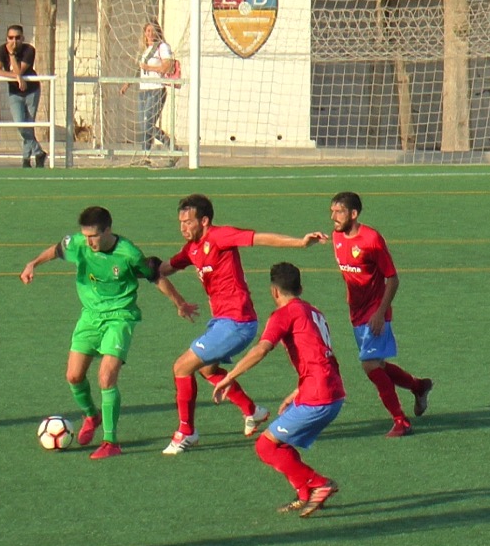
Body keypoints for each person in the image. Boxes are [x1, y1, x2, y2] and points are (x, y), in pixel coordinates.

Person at [152, 193, 326, 455]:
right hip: (221, 323)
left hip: (237, 322)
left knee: (181, 367)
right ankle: (252, 411)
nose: (183, 227)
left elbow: (260, 238)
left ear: (205, 220)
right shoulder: (192, 249)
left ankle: (186, 432)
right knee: (207, 370)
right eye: (180, 222)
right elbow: (165, 268)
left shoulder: (220, 236)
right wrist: (140, 267)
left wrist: (300, 243)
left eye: (188, 222)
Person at [19, 205, 191, 458]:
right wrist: (33, 263)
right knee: (74, 376)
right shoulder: (77, 243)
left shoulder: (128, 253)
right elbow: (57, 250)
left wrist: (180, 303)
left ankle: (111, 442)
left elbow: (156, 277)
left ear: (108, 230)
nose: (88, 242)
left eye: (93, 237)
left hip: (120, 318)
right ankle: (91, 415)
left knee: (106, 377)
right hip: (89, 316)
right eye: (85, 236)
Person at [210, 263, 345, 517]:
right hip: (330, 390)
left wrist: (230, 376)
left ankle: (319, 483)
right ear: (300, 288)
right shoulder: (314, 311)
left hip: (319, 395)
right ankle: (305, 495)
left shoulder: (284, 314)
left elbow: (261, 349)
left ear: (274, 291)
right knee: (281, 441)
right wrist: (297, 392)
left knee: (265, 446)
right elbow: (321, 355)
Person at [326, 192, 433, 436]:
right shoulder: (336, 237)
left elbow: (392, 279)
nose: (333, 216)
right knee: (379, 366)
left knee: (370, 364)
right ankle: (419, 386)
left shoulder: (371, 239)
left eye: (338, 211)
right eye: (331, 211)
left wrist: (380, 313)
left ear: (353, 214)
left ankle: (400, 421)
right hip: (356, 313)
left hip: (375, 313)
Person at [0, 24, 47, 168]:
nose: (14, 41)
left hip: (31, 91)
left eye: (17, 38)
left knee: (28, 125)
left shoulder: (29, 50)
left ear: (22, 38)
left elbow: (19, 71)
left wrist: (12, 57)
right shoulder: (1, 50)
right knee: (20, 124)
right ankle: (39, 152)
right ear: (6, 38)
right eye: (10, 38)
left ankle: (26, 159)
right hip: (15, 93)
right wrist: (16, 77)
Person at [135, 21, 174, 151]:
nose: (150, 34)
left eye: (153, 31)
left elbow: (167, 66)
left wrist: (149, 67)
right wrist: (127, 84)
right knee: (143, 125)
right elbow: (139, 70)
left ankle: (172, 146)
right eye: (148, 31)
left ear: (158, 32)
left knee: (148, 124)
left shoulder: (162, 47)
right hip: (143, 90)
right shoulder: (144, 50)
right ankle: (144, 155)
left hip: (156, 89)